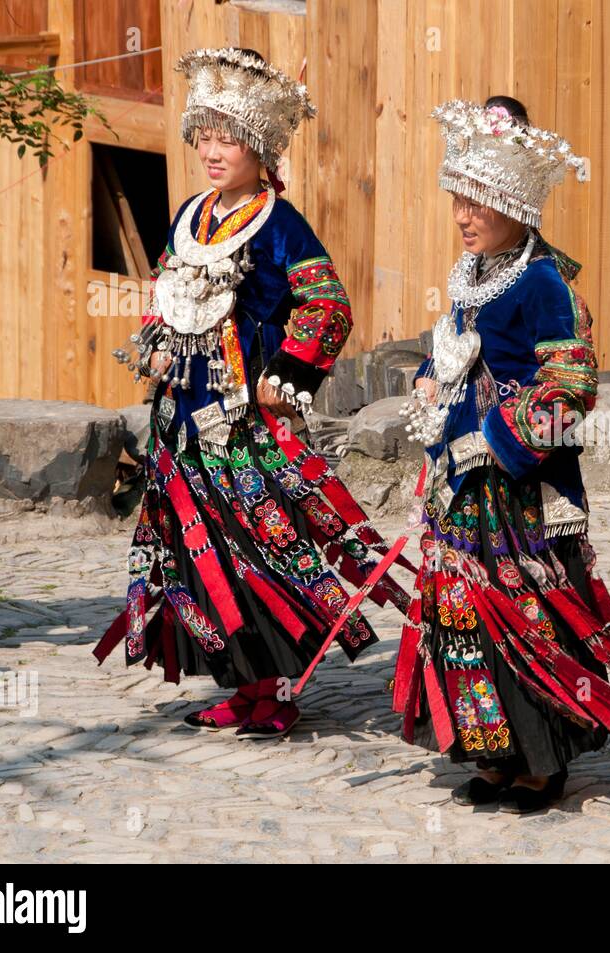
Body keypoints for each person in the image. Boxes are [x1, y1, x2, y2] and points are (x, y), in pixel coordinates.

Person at [390, 96, 610, 814]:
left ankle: (541, 758)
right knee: (465, 612)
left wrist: (494, 439)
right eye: (459, 199)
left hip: (518, 490)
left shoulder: (543, 284)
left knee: (526, 614)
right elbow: (453, 355)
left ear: (520, 204)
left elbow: (571, 386)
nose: (465, 215)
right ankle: (492, 749)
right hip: (460, 486)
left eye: (481, 202)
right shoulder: (473, 272)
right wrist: (429, 383)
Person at [94, 48, 409, 739]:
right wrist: (154, 341)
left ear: (260, 147)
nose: (212, 150)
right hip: (182, 417)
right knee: (196, 548)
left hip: (244, 423)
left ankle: (276, 685)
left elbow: (327, 304)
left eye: (228, 138)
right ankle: (239, 683)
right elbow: (169, 291)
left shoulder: (279, 224)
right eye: (204, 134)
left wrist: (290, 371)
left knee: (256, 547)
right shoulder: (189, 214)